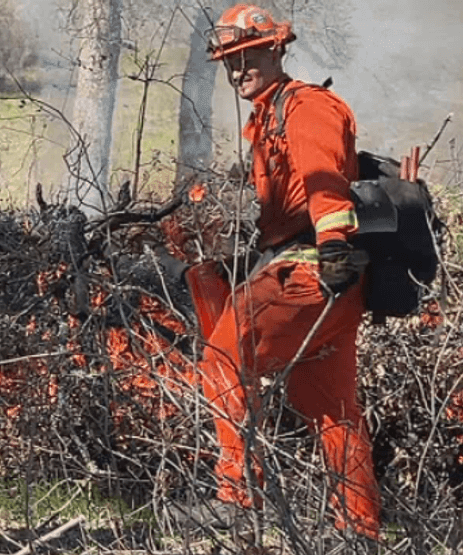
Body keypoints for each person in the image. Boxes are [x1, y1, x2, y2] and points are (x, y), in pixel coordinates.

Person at [190, 3, 381, 540]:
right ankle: (359, 530)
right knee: (332, 409)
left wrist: (335, 245)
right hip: (330, 281)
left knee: (223, 357)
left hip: (312, 272)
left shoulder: (305, 108)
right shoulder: (268, 118)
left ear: (275, 48)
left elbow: (325, 181)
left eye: (246, 55)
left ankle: (235, 497)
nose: (236, 70)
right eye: (229, 61)